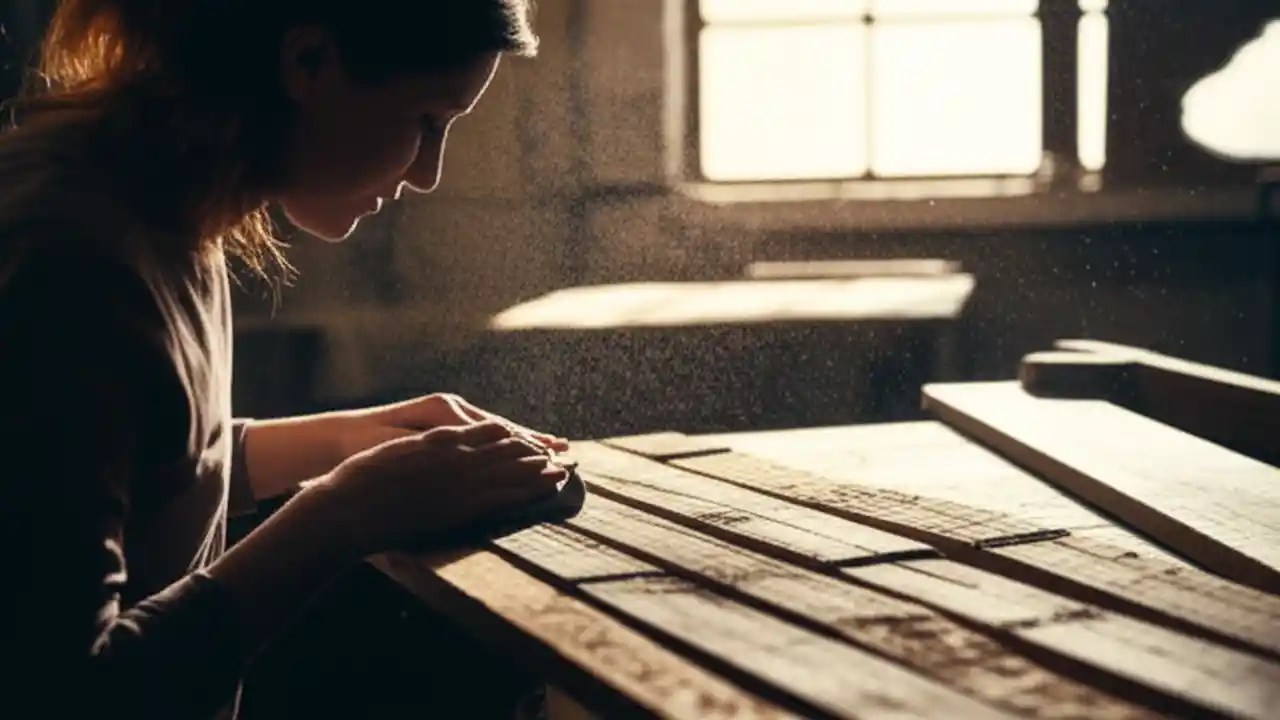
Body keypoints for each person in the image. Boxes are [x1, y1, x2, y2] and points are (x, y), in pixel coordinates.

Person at [0, 1, 571, 717]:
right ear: (308, 63)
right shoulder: (68, 263)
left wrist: (336, 443)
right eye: (427, 122)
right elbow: (60, 698)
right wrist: (343, 516)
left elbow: (141, 468)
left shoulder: (165, 210)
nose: (429, 174)